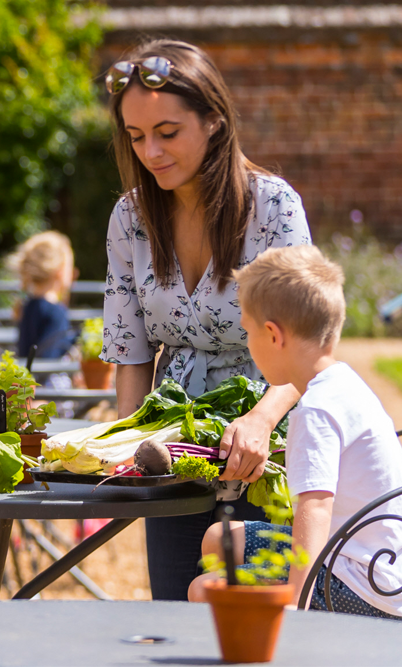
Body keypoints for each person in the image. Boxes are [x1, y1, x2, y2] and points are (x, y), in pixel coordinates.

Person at [100, 39, 312, 600]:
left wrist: (262, 422)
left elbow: (307, 346)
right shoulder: (130, 218)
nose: (150, 151)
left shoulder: (274, 208)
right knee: (175, 620)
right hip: (173, 456)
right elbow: (131, 352)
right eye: (136, 136)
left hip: (271, 454)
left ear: (215, 121)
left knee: (257, 628)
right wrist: (128, 448)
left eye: (167, 133)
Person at [188, 246, 402, 620]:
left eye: (247, 331)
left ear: (273, 335)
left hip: (360, 589)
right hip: (378, 567)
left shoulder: (316, 410)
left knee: (203, 589)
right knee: (219, 539)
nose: (247, 343)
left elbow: (315, 509)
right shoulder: (342, 382)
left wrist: (295, 602)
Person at [10, 231, 78, 379]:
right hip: (48, 394)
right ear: (60, 271)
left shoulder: (27, 305)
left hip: (27, 388)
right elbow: (49, 360)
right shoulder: (55, 312)